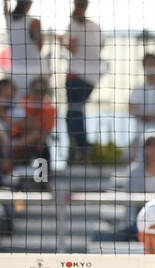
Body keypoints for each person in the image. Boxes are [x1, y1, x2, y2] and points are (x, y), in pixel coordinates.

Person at [58, 0, 104, 161]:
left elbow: (72, 47)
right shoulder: (95, 26)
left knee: (73, 112)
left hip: (76, 76)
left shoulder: (73, 25)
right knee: (77, 111)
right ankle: (81, 147)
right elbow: (102, 45)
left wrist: (61, 40)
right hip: (92, 77)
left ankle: (80, 147)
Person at [3, 1, 46, 101]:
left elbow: (4, 8)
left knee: (16, 107)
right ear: (29, 4)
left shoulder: (9, 19)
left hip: (14, 73)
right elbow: (40, 46)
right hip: (33, 72)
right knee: (32, 106)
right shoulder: (34, 22)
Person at [13, 75, 54, 165]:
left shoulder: (49, 108)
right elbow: (20, 125)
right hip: (18, 136)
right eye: (36, 91)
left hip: (37, 139)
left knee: (43, 148)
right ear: (31, 91)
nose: (39, 94)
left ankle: (43, 177)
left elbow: (46, 130)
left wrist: (39, 141)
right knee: (35, 136)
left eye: (42, 91)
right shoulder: (23, 103)